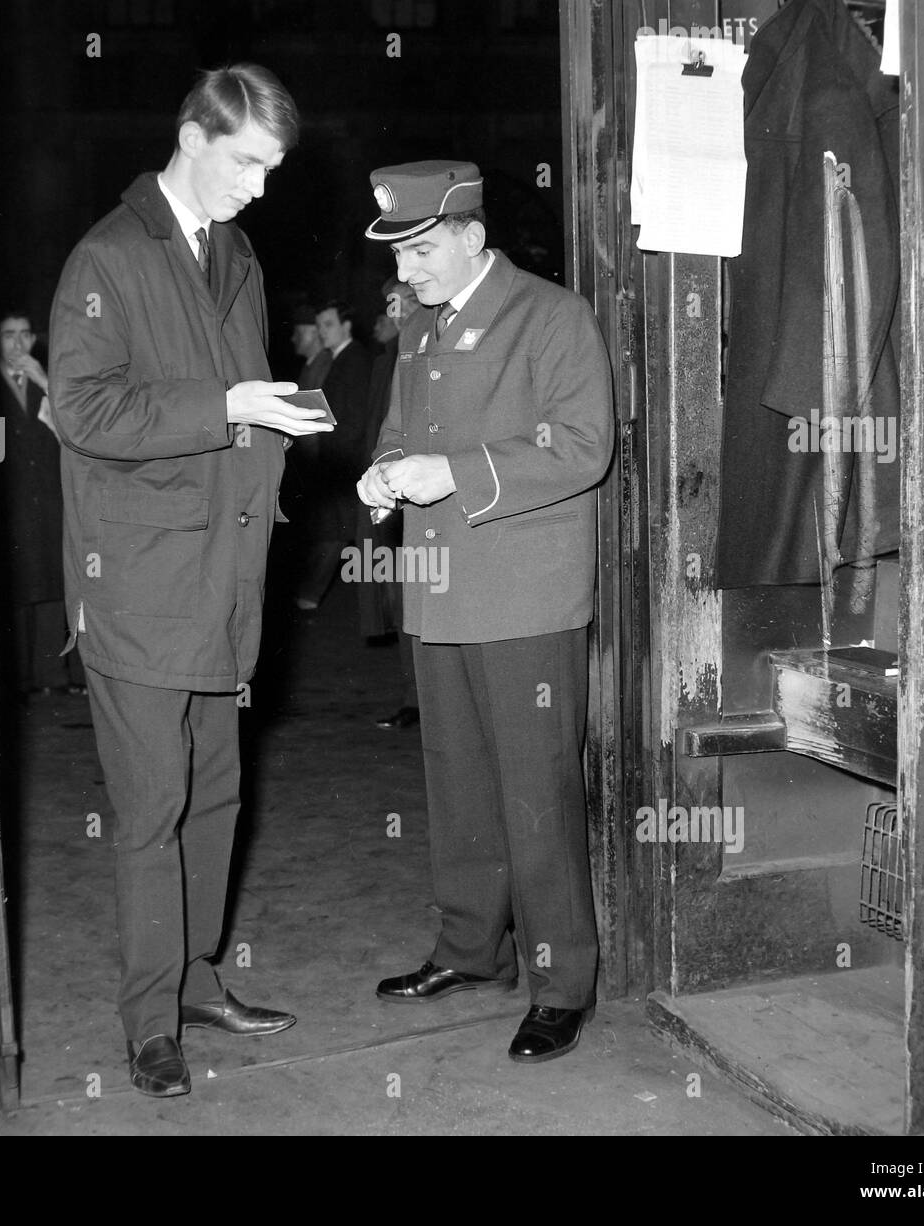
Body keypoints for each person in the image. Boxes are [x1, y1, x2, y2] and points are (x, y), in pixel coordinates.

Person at [48, 63, 331, 1099]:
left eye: (272, 168)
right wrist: (227, 408)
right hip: (140, 584)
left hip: (224, 573)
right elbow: (84, 410)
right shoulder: (109, 256)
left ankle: (199, 974)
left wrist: (277, 428)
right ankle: (148, 1018)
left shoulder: (239, 256)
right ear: (192, 135)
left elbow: (238, 399)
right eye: (249, 162)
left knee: (216, 791)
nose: (260, 187)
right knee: (151, 805)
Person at [357, 161, 615, 1063]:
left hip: (525, 593)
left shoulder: (552, 316)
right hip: (440, 587)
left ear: (473, 236)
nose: (408, 273)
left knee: (534, 793)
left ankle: (562, 983)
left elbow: (585, 448)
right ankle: (472, 952)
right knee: (457, 782)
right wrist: (386, 473)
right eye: (399, 257)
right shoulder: (420, 328)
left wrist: (455, 476)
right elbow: (402, 429)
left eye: (422, 251)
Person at [0, 306, 83, 695]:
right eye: (9, 334)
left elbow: (75, 426)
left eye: (24, 334)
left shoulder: (49, 382)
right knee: (15, 588)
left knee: (54, 585)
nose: (18, 343)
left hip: (50, 499)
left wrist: (42, 377)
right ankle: (15, 679)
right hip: (6, 501)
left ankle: (53, 676)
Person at [359, 276, 419, 726]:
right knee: (401, 598)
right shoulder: (387, 359)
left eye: (396, 301)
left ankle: (426, 702)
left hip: (424, 490)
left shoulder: (426, 347)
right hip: (389, 493)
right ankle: (412, 698)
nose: (390, 311)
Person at [294, 300, 371, 610]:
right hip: (335, 461)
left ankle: (310, 597)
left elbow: (352, 421)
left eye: (328, 325)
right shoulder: (340, 359)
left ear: (346, 326)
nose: (322, 332)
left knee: (335, 533)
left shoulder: (355, 360)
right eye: (320, 325)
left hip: (344, 463)